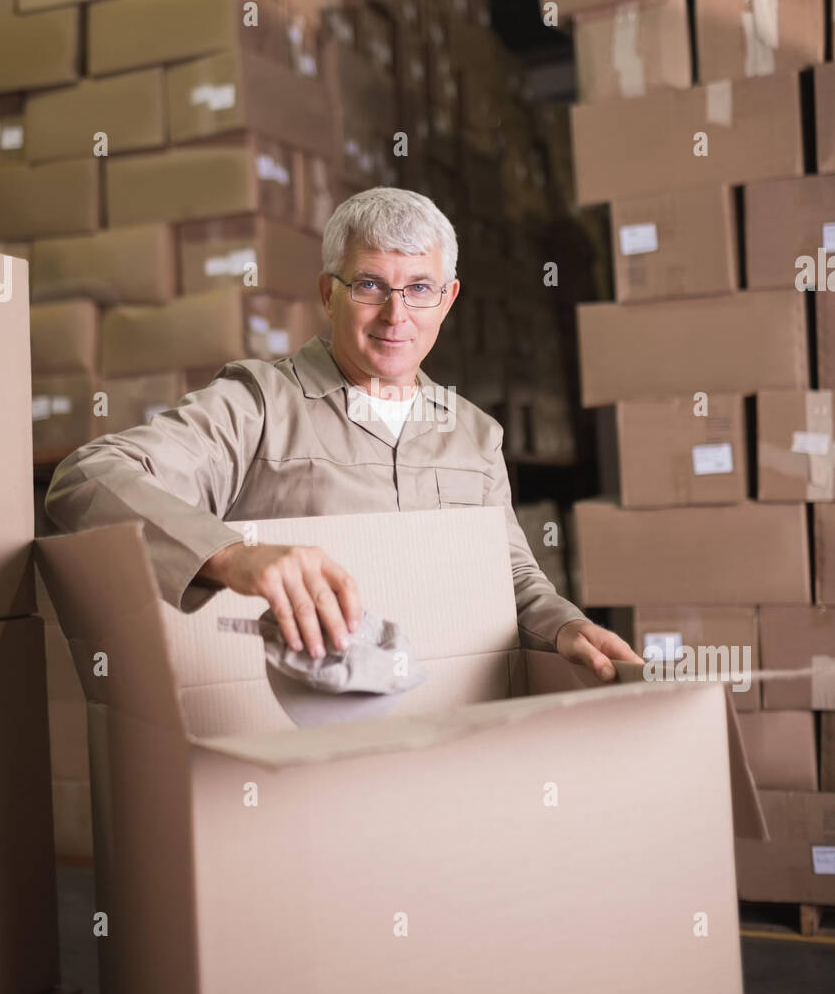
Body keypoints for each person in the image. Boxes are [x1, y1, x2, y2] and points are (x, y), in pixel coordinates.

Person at [46, 186, 642, 680]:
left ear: (448, 299)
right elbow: (87, 478)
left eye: (418, 288)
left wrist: (566, 625)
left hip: (451, 727)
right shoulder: (258, 405)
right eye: (369, 285)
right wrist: (231, 556)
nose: (395, 314)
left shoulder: (473, 436)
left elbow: (511, 577)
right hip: (296, 727)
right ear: (328, 293)